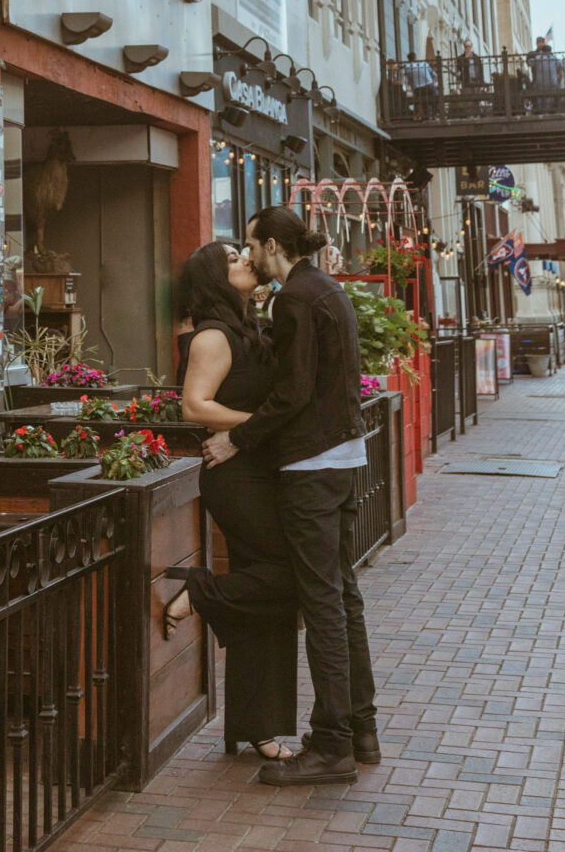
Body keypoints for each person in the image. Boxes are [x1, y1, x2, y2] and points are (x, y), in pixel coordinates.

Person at [204, 206, 377, 787]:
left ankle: (331, 746)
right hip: (343, 457)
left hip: (310, 464)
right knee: (343, 596)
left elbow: (296, 390)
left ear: (273, 245)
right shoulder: (325, 288)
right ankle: (359, 729)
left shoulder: (296, 298)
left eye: (251, 245)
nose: (247, 254)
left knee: (322, 602)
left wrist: (237, 438)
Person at [163, 242, 297, 760]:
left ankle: (256, 728)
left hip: (256, 469)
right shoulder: (213, 335)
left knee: (263, 603)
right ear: (216, 280)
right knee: (289, 572)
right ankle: (200, 593)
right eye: (235, 260)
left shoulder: (244, 328)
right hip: (236, 476)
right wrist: (261, 426)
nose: (246, 261)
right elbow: (194, 407)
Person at [404, 51, 438, 119]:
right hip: (429, 87)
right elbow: (434, 75)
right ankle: (434, 114)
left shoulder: (407, 67)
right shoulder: (424, 64)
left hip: (418, 90)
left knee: (422, 100)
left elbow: (409, 81)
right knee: (436, 96)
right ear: (416, 58)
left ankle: (426, 115)